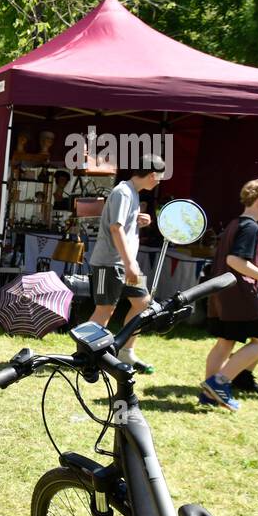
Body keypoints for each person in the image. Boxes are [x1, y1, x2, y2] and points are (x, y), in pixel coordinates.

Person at [200, 178, 258, 409]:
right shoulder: (251, 227)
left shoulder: (234, 224)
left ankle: (210, 394)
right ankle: (219, 382)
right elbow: (235, 260)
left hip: (222, 292)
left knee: (225, 342)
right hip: (239, 294)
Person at [87, 156, 161, 373]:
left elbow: (121, 222)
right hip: (108, 264)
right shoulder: (123, 192)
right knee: (104, 311)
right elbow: (115, 228)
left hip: (125, 263)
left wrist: (138, 218)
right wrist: (130, 263)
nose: (159, 182)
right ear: (152, 175)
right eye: (159, 178)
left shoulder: (132, 194)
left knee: (143, 304)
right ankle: (85, 355)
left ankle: (126, 352)